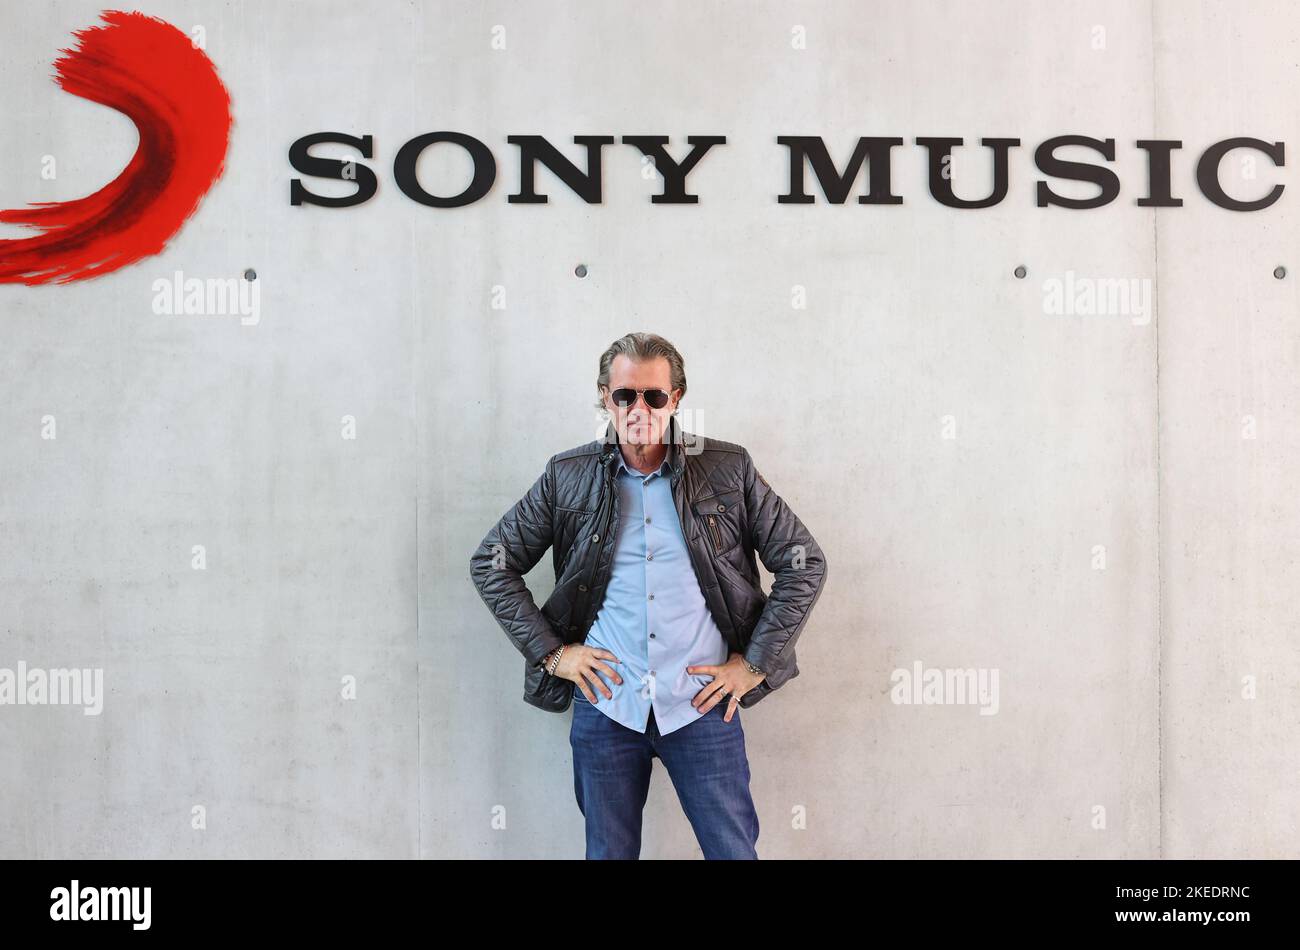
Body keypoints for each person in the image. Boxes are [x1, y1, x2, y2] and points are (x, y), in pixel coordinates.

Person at [469, 331, 828, 858]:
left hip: (702, 706)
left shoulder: (727, 469)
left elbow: (804, 563)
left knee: (733, 852)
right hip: (608, 706)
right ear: (604, 398)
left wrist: (754, 665)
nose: (639, 408)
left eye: (654, 396)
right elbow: (492, 564)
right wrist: (552, 654)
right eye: (624, 395)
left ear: (676, 399)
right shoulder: (566, 476)